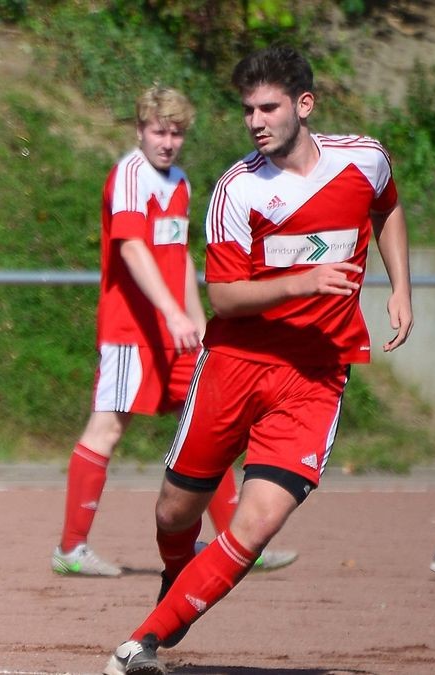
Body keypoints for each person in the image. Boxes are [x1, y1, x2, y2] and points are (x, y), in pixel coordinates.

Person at [103, 45, 412, 675]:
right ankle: (175, 577)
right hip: (236, 364)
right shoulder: (237, 189)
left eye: (268, 107)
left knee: (262, 518)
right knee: (174, 511)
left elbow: (388, 206)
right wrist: (302, 282)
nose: (255, 120)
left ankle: (144, 642)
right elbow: (226, 297)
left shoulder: (365, 158)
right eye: (248, 109)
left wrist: (400, 285)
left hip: (317, 377)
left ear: (304, 105)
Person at [54, 86, 296, 578]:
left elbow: (178, 256)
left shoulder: (180, 182)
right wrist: (171, 314)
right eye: (159, 131)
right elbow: (133, 250)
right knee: (108, 427)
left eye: (177, 133)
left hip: (177, 330)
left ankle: (239, 545)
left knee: (213, 424)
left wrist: (200, 322)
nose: (168, 141)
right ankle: (71, 549)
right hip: (131, 330)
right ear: (140, 129)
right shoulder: (129, 175)